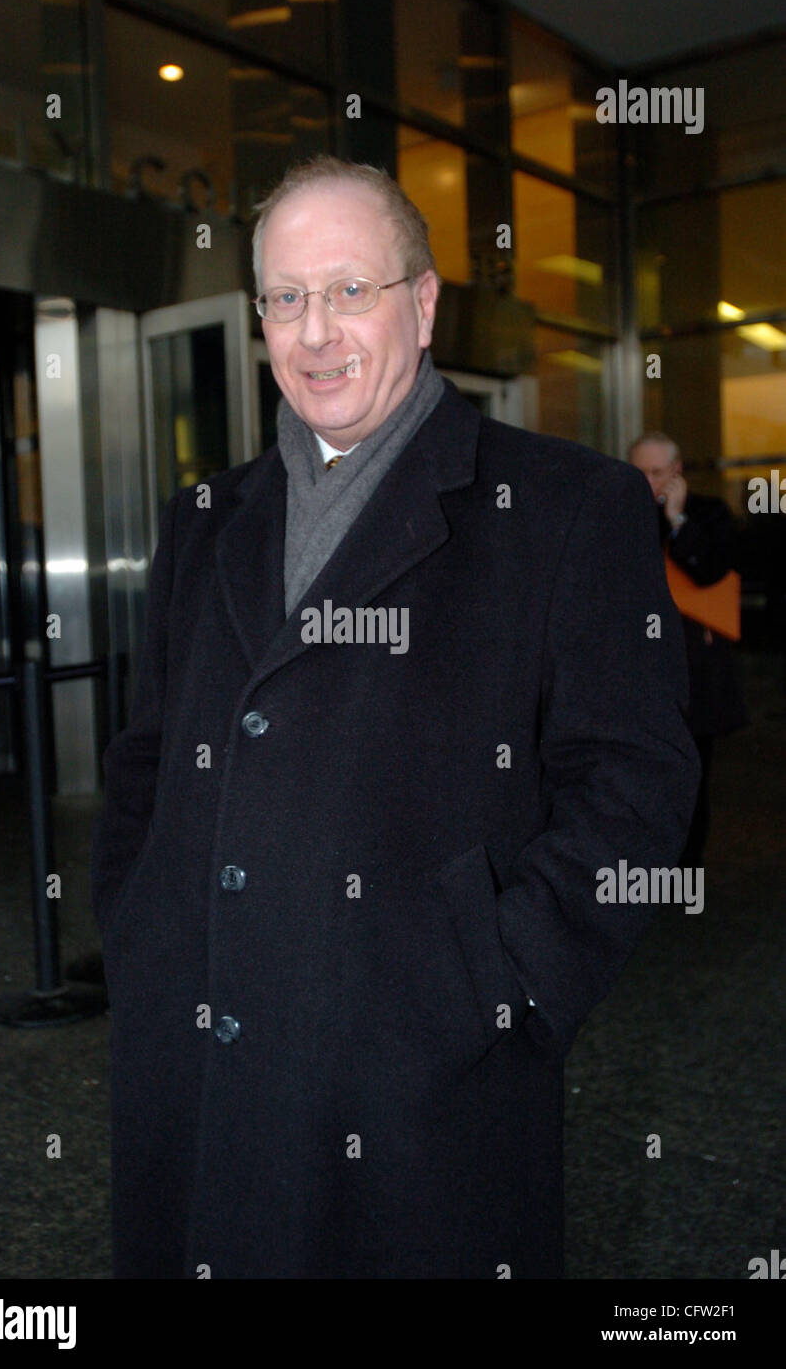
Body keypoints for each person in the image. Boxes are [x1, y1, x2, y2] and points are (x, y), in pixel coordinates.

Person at [91, 156, 699, 1280]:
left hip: (419, 1079)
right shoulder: (203, 521)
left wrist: (495, 982)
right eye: (284, 297)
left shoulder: (567, 507)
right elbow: (146, 759)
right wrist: (140, 927)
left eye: (349, 290)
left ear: (421, 305)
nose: (314, 332)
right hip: (199, 1059)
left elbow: (639, 781)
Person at [629, 432, 747, 867]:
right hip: (635, 669)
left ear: (677, 473)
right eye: (639, 471)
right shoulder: (621, 513)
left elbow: (711, 571)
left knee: (691, 772)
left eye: (657, 472)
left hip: (694, 670)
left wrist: (677, 520)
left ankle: (685, 866)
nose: (648, 481)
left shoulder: (709, 514)